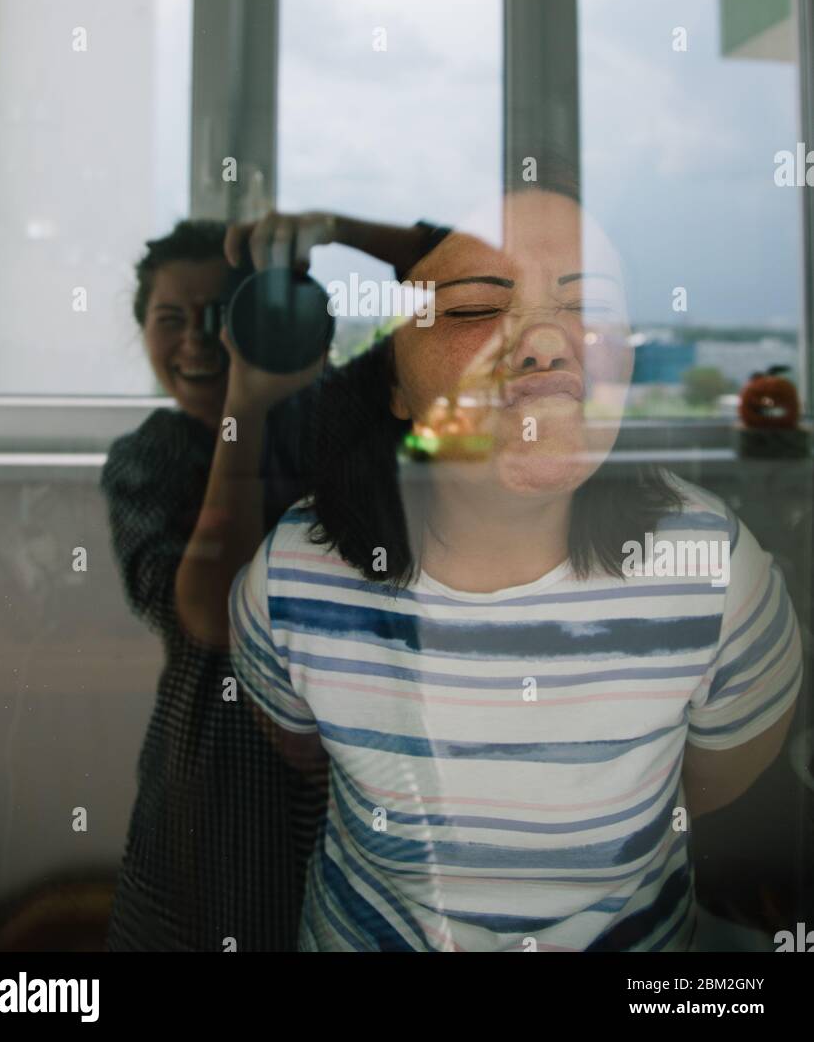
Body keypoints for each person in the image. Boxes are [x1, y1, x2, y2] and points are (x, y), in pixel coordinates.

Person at [230, 169, 804, 952]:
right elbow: (300, 749)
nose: (541, 342)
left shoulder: (717, 576)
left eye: (590, 307)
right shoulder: (293, 578)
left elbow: (707, 785)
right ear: (394, 381)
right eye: (473, 307)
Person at [102, 208, 449, 951]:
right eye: (171, 318)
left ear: (274, 318)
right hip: (218, 788)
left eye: (225, 316)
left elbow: (491, 292)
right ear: (142, 332)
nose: (199, 339)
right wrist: (244, 414)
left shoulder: (346, 413)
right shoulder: (147, 459)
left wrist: (335, 229)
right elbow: (214, 619)